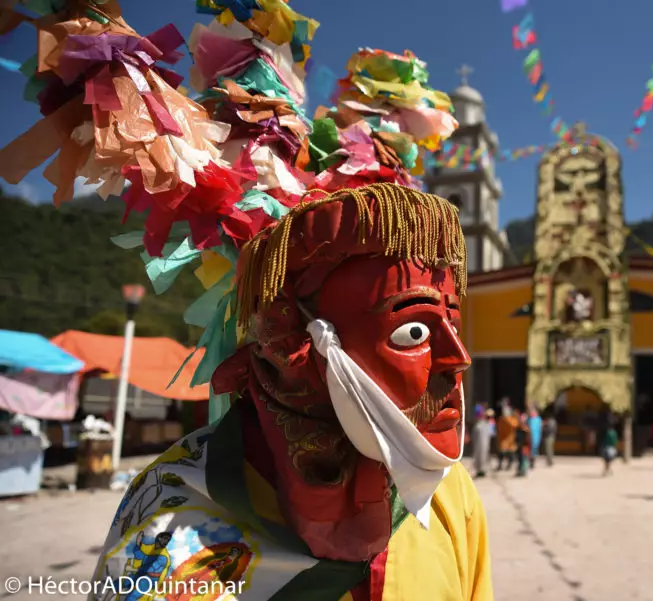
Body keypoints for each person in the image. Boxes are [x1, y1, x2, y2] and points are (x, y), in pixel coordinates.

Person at [2, 3, 493, 598]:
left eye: (454, 323)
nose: (459, 357)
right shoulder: (173, 525)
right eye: (413, 330)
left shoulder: (449, 495)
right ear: (295, 347)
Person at [471, 406, 492, 479]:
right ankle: (479, 471)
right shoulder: (479, 425)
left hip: (483, 444)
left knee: (483, 456)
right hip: (479, 444)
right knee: (479, 457)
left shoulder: (483, 425)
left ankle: (482, 471)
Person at [495, 406, 518, 471]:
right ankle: (506, 465)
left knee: (504, 453)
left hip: (506, 440)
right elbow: (516, 425)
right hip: (507, 440)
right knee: (507, 453)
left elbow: (498, 428)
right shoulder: (511, 420)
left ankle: (502, 465)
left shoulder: (502, 419)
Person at [515, 412, 531, 477]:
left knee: (524, 459)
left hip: (524, 447)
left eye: (523, 419)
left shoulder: (526, 428)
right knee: (520, 459)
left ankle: (523, 471)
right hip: (520, 446)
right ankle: (520, 471)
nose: (521, 420)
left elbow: (528, 439)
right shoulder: (518, 427)